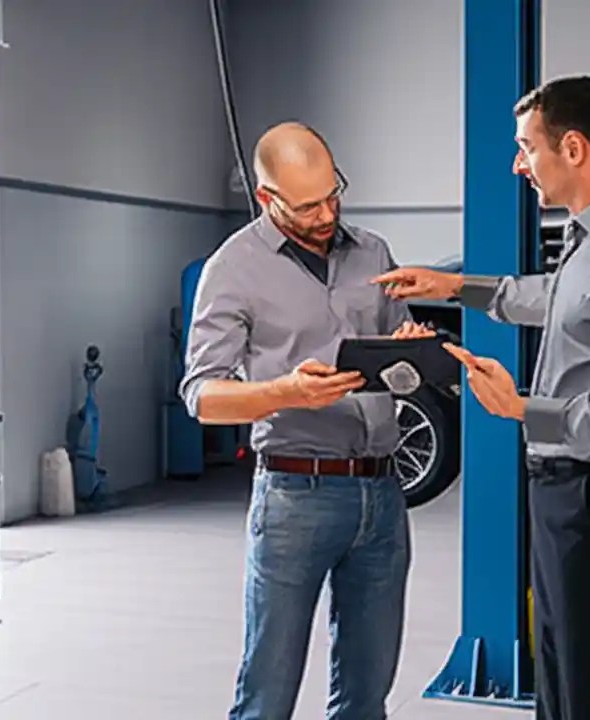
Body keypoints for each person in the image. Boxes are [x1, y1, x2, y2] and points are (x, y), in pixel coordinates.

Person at [373, 76, 590, 720]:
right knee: (562, 675)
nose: (518, 164)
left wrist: (520, 408)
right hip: (569, 490)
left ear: (572, 148)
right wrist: (452, 287)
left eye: (527, 147)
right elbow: (554, 299)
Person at [179, 121, 432, 720]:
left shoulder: (372, 252)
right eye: (308, 206)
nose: (326, 214)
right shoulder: (232, 267)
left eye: (332, 195)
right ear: (267, 198)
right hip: (295, 495)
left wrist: (413, 351)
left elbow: (400, 368)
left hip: (383, 493)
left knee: (367, 693)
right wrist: (284, 392)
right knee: (268, 692)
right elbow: (201, 395)